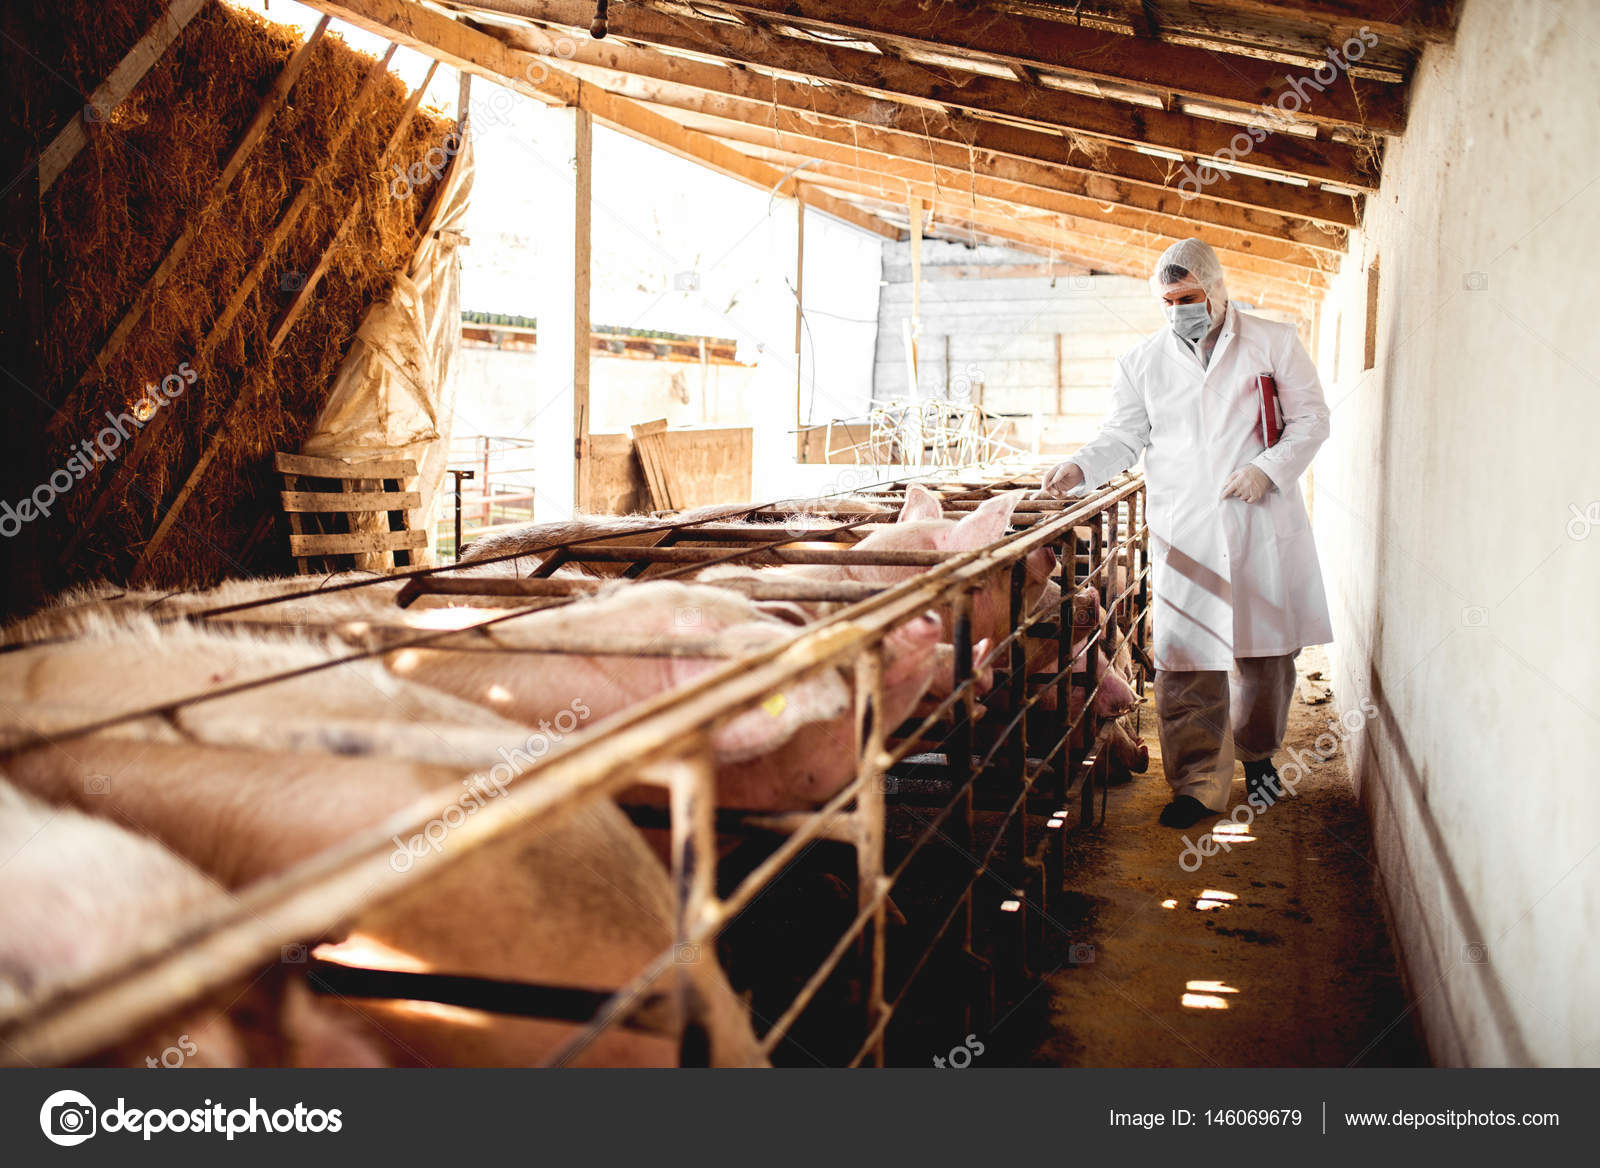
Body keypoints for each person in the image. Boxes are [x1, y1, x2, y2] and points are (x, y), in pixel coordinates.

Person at [1040, 238, 1332, 829]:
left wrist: (1266, 470)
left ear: (1217, 288)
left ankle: (1258, 757)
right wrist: (1080, 466)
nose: (1179, 310)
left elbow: (1311, 419)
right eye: (1169, 300)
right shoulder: (1142, 362)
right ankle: (1197, 785)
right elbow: (1122, 436)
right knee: (1187, 662)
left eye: (1189, 296)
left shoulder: (1274, 342)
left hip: (1259, 521)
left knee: (1266, 659)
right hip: (1187, 531)